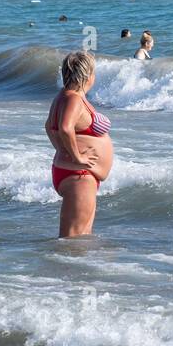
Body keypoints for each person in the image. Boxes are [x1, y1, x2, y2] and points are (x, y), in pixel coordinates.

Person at [46, 51, 114, 237]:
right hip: (79, 176)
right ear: (87, 75)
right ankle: (62, 266)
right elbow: (65, 128)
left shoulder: (64, 95)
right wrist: (77, 156)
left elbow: (49, 127)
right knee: (73, 238)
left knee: (80, 237)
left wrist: (62, 149)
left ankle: (72, 266)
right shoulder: (74, 99)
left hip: (76, 173)